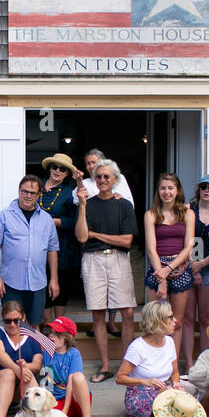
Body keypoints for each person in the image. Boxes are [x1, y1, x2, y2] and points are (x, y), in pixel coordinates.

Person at [76, 159, 137, 380]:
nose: (102, 180)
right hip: (93, 260)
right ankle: (104, 366)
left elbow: (127, 241)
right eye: (98, 176)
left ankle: (126, 365)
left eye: (106, 177)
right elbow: (82, 236)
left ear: (115, 180)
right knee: (98, 314)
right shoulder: (88, 205)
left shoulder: (124, 205)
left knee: (128, 313)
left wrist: (97, 235)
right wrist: (82, 205)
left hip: (118, 259)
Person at [116, 301, 204, 417]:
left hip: (165, 388)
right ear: (158, 321)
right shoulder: (138, 347)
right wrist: (145, 382)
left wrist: (176, 383)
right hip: (140, 394)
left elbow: (175, 372)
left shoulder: (169, 342)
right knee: (171, 394)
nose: (175, 320)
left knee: (188, 389)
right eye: (170, 317)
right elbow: (120, 378)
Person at [0, 175, 59, 326]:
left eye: (32, 193)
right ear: (19, 191)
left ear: (38, 194)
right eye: (24, 191)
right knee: (13, 324)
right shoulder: (3, 217)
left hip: (38, 282)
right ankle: (14, 350)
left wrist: (54, 279)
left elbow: (52, 250)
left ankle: (35, 350)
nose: (28, 195)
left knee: (35, 324)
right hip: (11, 282)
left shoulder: (46, 220)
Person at [143, 173, 195, 359]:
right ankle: (153, 363)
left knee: (176, 322)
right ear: (158, 191)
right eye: (163, 188)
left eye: (170, 188)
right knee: (155, 320)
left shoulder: (188, 214)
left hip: (179, 267)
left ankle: (171, 365)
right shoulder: (150, 214)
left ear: (178, 190)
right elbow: (151, 248)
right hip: (157, 268)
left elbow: (189, 246)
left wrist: (169, 269)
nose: (167, 192)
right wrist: (161, 276)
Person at [38, 153, 82, 323]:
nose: (57, 171)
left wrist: (52, 221)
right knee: (42, 288)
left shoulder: (69, 193)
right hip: (38, 248)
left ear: (67, 174)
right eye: (54, 167)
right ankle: (47, 330)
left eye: (62, 169)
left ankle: (60, 330)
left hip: (62, 247)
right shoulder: (37, 187)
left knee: (60, 289)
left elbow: (74, 221)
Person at [40, 315, 100, 417]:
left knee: (78, 377)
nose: (51, 337)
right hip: (57, 400)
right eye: (50, 333)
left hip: (76, 398)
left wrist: (65, 411)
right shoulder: (47, 353)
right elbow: (47, 382)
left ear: (66, 337)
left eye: (56, 334)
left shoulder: (74, 354)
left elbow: (71, 385)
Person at [183, 174, 209, 363]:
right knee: (188, 318)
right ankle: (190, 363)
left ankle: (204, 362)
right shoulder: (188, 211)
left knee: (207, 319)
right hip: (188, 266)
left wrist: (202, 264)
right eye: (203, 187)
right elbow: (184, 240)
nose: (206, 190)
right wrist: (192, 265)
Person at [73, 147, 135, 212]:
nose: (91, 166)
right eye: (88, 163)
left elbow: (130, 205)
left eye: (93, 162)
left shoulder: (118, 177)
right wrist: (79, 181)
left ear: (102, 163)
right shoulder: (84, 183)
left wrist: (121, 198)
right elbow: (78, 202)